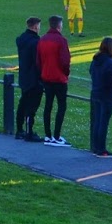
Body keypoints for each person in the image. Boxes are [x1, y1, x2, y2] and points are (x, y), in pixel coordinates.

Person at [37, 15, 72, 145]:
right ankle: (57, 136)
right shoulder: (61, 41)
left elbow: (39, 60)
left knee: (48, 105)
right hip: (59, 78)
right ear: (58, 25)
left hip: (46, 77)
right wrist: (66, 74)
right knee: (61, 106)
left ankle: (48, 135)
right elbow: (65, 61)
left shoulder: (42, 40)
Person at [88, 37, 112, 157]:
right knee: (103, 122)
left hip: (95, 92)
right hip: (106, 94)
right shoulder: (110, 62)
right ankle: (101, 148)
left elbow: (91, 72)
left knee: (97, 121)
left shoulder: (95, 60)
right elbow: (111, 79)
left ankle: (96, 146)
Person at [15, 17, 43, 141]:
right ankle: (29, 132)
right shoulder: (36, 42)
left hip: (24, 76)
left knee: (23, 103)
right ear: (35, 27)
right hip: (34, 78)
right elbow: (38, 62)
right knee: (32, 107)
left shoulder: (21, 39)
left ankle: (20, 129)